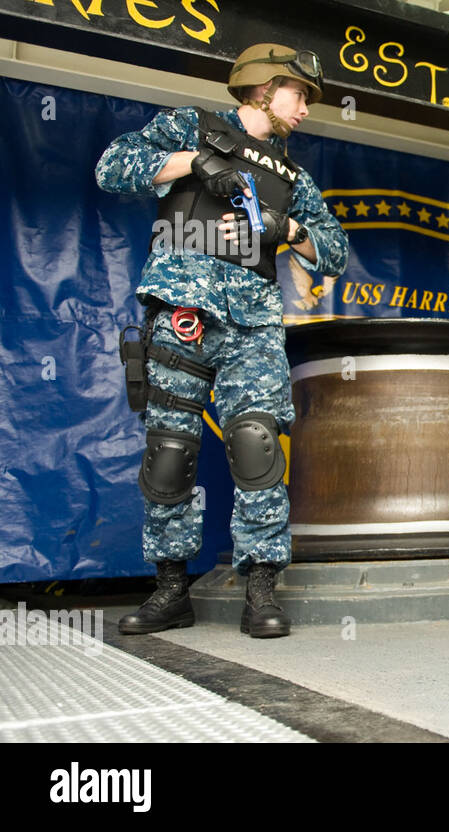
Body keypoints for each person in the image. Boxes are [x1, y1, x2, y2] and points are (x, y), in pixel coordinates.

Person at [96, 44, 349, 638]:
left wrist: (285, 227)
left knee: (257, 447)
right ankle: (169, 592)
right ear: (263, 87)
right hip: (183, 315)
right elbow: (114, 166)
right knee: (169, 456)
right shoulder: (192, 126)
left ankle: (260, 590)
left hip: (252, 326)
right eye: (300, 94)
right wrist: (197, 163)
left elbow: (334, 253)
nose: (308, 108)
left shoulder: (293, 177)